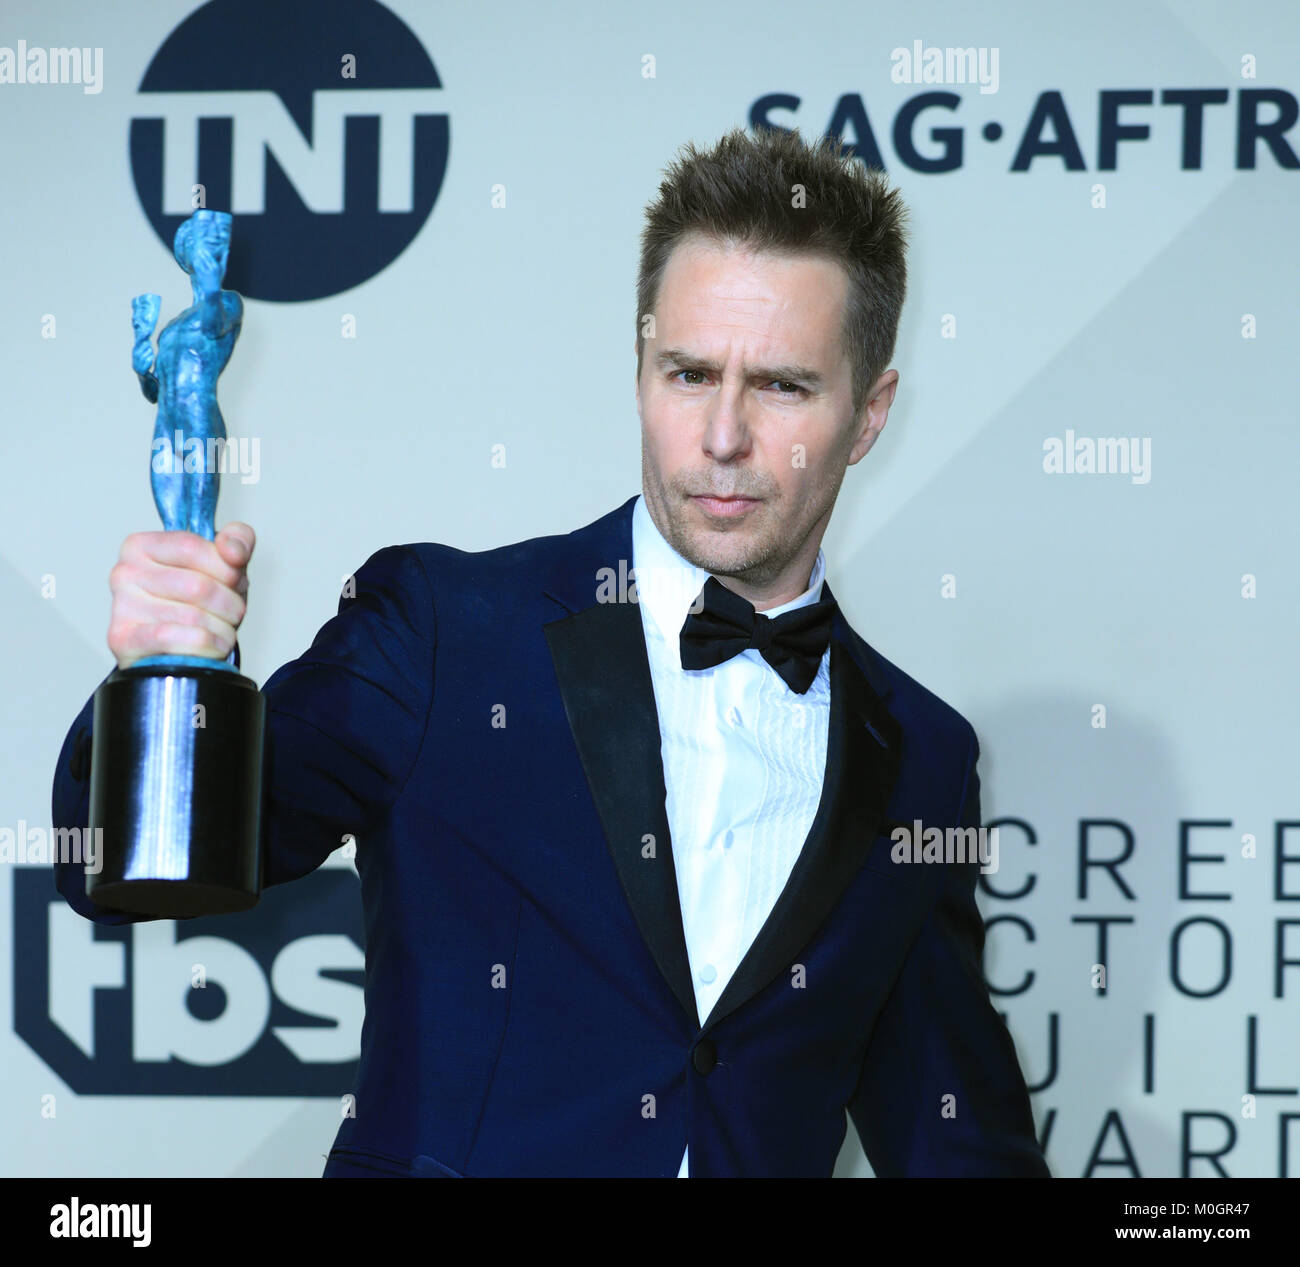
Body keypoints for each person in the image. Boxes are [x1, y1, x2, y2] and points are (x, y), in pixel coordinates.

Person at [51, 125, 1049, 1178]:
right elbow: (123, 871)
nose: (720, 435)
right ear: (637, 370)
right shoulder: (446, 630)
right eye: (688, 373)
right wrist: (171, 678)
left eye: (783, 387)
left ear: (869, 414)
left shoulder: (920, 759)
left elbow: (955, 1141)